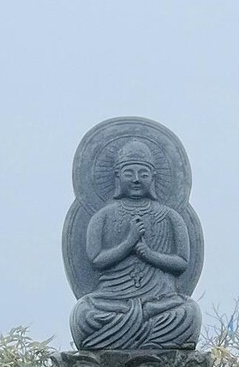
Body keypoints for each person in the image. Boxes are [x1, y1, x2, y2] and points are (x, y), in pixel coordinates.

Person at [71, 139, 202, 349]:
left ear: (153, 177)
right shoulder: (102, 216)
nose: (136, 180)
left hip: (159, 304)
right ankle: (144, 333)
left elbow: (182, 263)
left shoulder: (170, 216)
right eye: (129, 173)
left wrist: (148, 253)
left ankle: (126, 332)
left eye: (143, 174)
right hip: (113, 300)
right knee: (84, 313)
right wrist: (128, 242)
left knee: (189, 312)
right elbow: (97, 260)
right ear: (117, 176)